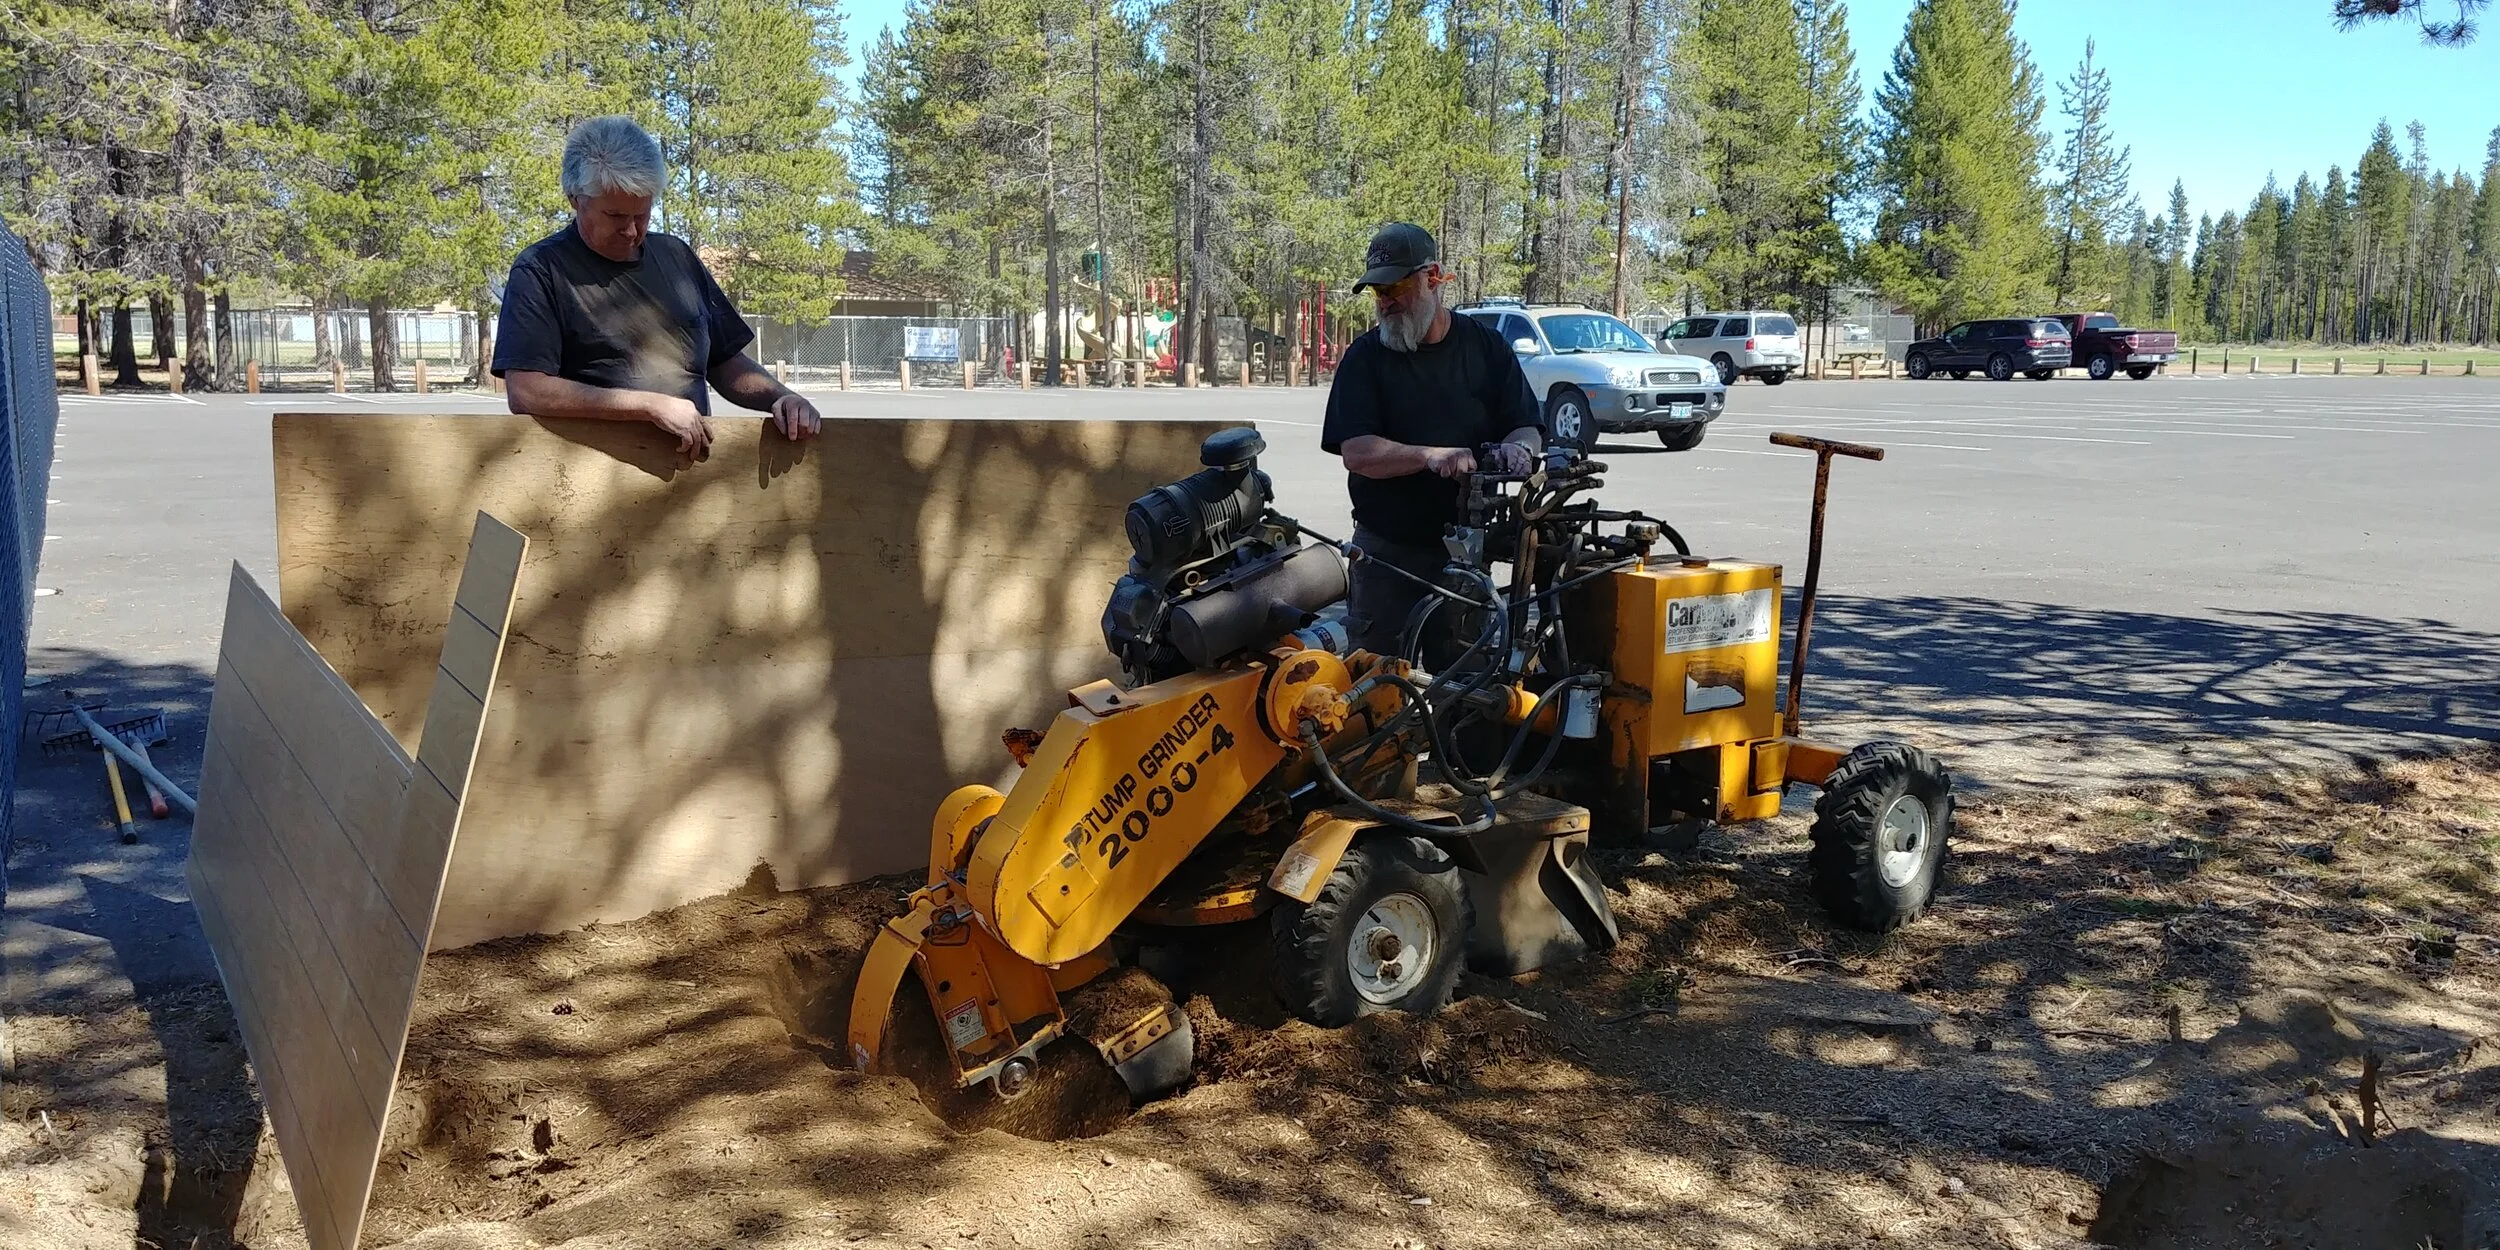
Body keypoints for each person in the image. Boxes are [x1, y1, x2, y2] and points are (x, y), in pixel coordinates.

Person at [493, 116, 821, 456]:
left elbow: (725, 363)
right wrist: (649, 406)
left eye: (642, 215)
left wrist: (782, 397)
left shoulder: (676, 256)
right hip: (591, 480)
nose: (632, 231)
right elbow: (528, 391)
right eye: (616, 216)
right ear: (575, 199)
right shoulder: (541, 269)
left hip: (688, 475)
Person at [1319, 223, 1544, 656]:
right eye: (1378, 293)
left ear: (1433, 277)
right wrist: (1429, 456)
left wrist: (1520, 449)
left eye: (1396, 287)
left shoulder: (1486, 348)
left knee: (1465, 685)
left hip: (1464, 551)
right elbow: (1357, 452)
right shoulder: (1366, 359)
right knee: (1375, 684)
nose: (1386, 302)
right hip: (1386, 553)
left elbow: (1526, 424)